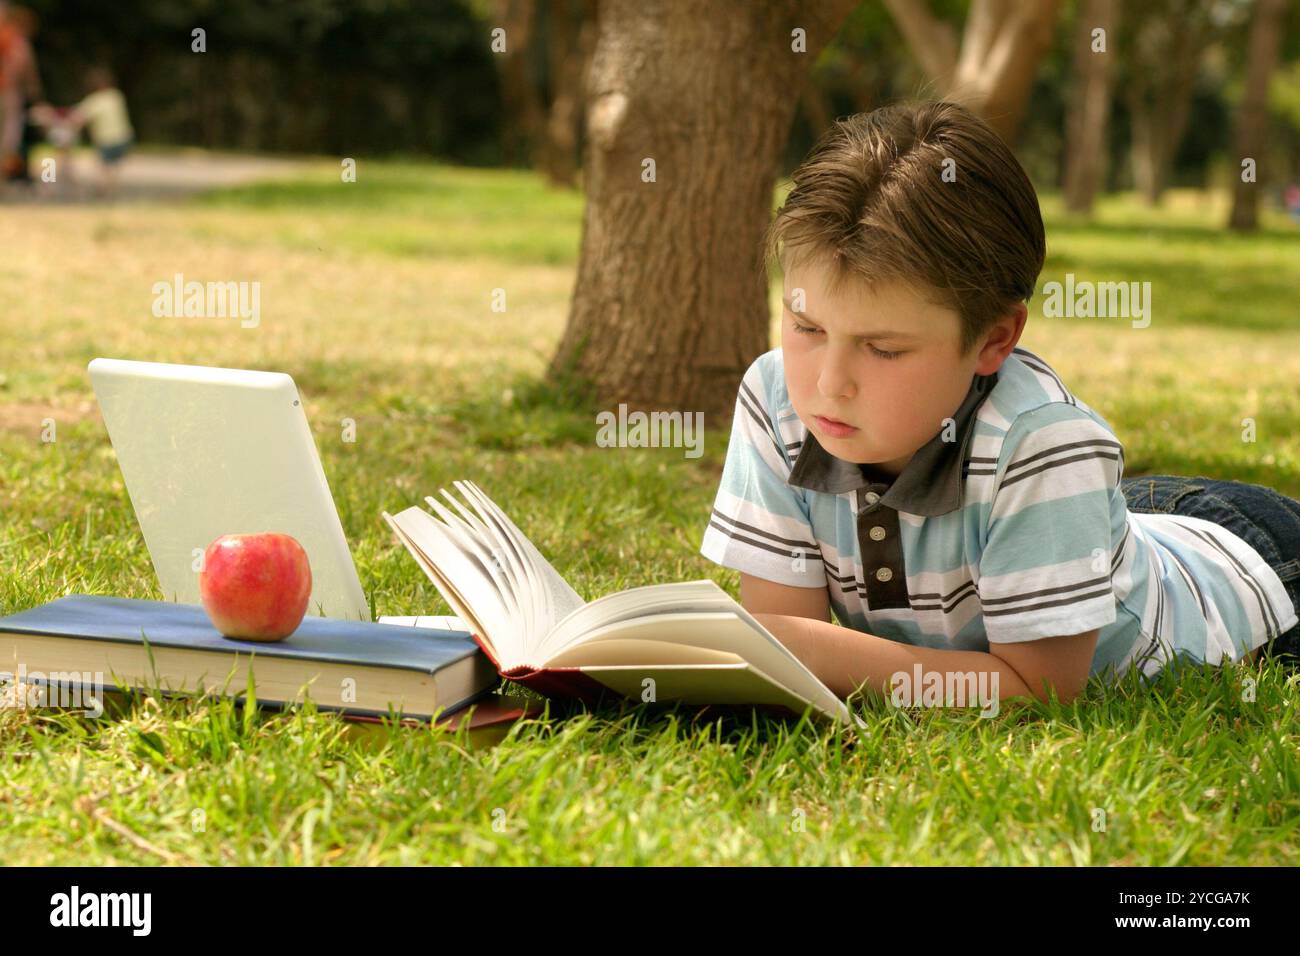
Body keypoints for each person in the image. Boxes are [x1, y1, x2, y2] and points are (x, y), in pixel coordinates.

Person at [699, 101, 1300, 707]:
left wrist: (784, 646)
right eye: (807, 327)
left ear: (994, 338)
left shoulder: (1044, 447)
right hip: (1114, 519)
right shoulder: (777, 396)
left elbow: (1037, 690)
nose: (829, 384)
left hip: (1258, 565)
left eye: (882, 348)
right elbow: (785, 646)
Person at [66, 65, 133, 198]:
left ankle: (102, 192)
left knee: (103, 167)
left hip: (107, 139)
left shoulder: (94, 101)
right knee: (114, 166)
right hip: (124, 137)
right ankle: (111, 190)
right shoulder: (116, 96)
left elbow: (78, 117)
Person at [0, 3, 41, 184]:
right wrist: (35, 93)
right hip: (8, 92)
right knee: (10, 140)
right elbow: (23, 65)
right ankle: (4, 179)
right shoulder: (15, 39)